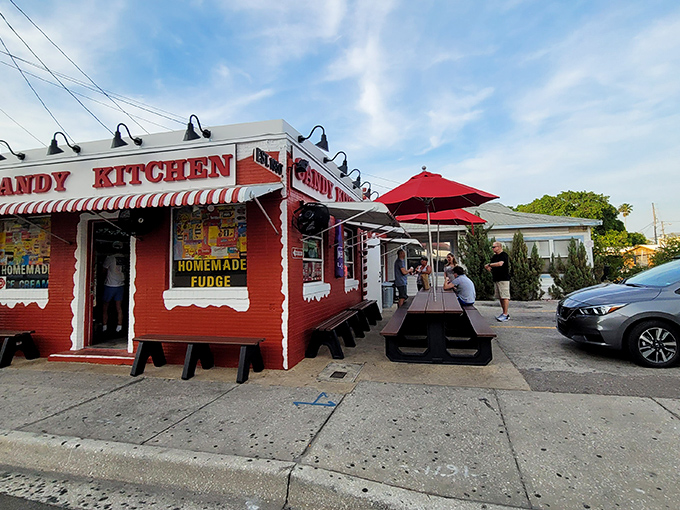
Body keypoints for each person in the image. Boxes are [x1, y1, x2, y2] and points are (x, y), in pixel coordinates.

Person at [102, 241, 126, 333]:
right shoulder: (124, 258)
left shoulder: (110, 258)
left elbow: (103, 270)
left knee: (105, 306)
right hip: (120, 285)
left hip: (110, 285)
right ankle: (119, 326)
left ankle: (104, 327)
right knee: (119, 307)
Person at [485, 241, 510, 321]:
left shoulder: (504, 255)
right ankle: (503, 313)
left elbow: (500, 264)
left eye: (494, 247)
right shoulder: (494, 257)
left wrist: (489, 265)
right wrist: (489, 267)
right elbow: (491, 267)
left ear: (499, 247)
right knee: (500, 297)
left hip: (503, 279)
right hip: (496, 278)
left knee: (505, 296)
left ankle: (506, 314)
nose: (493, 249)